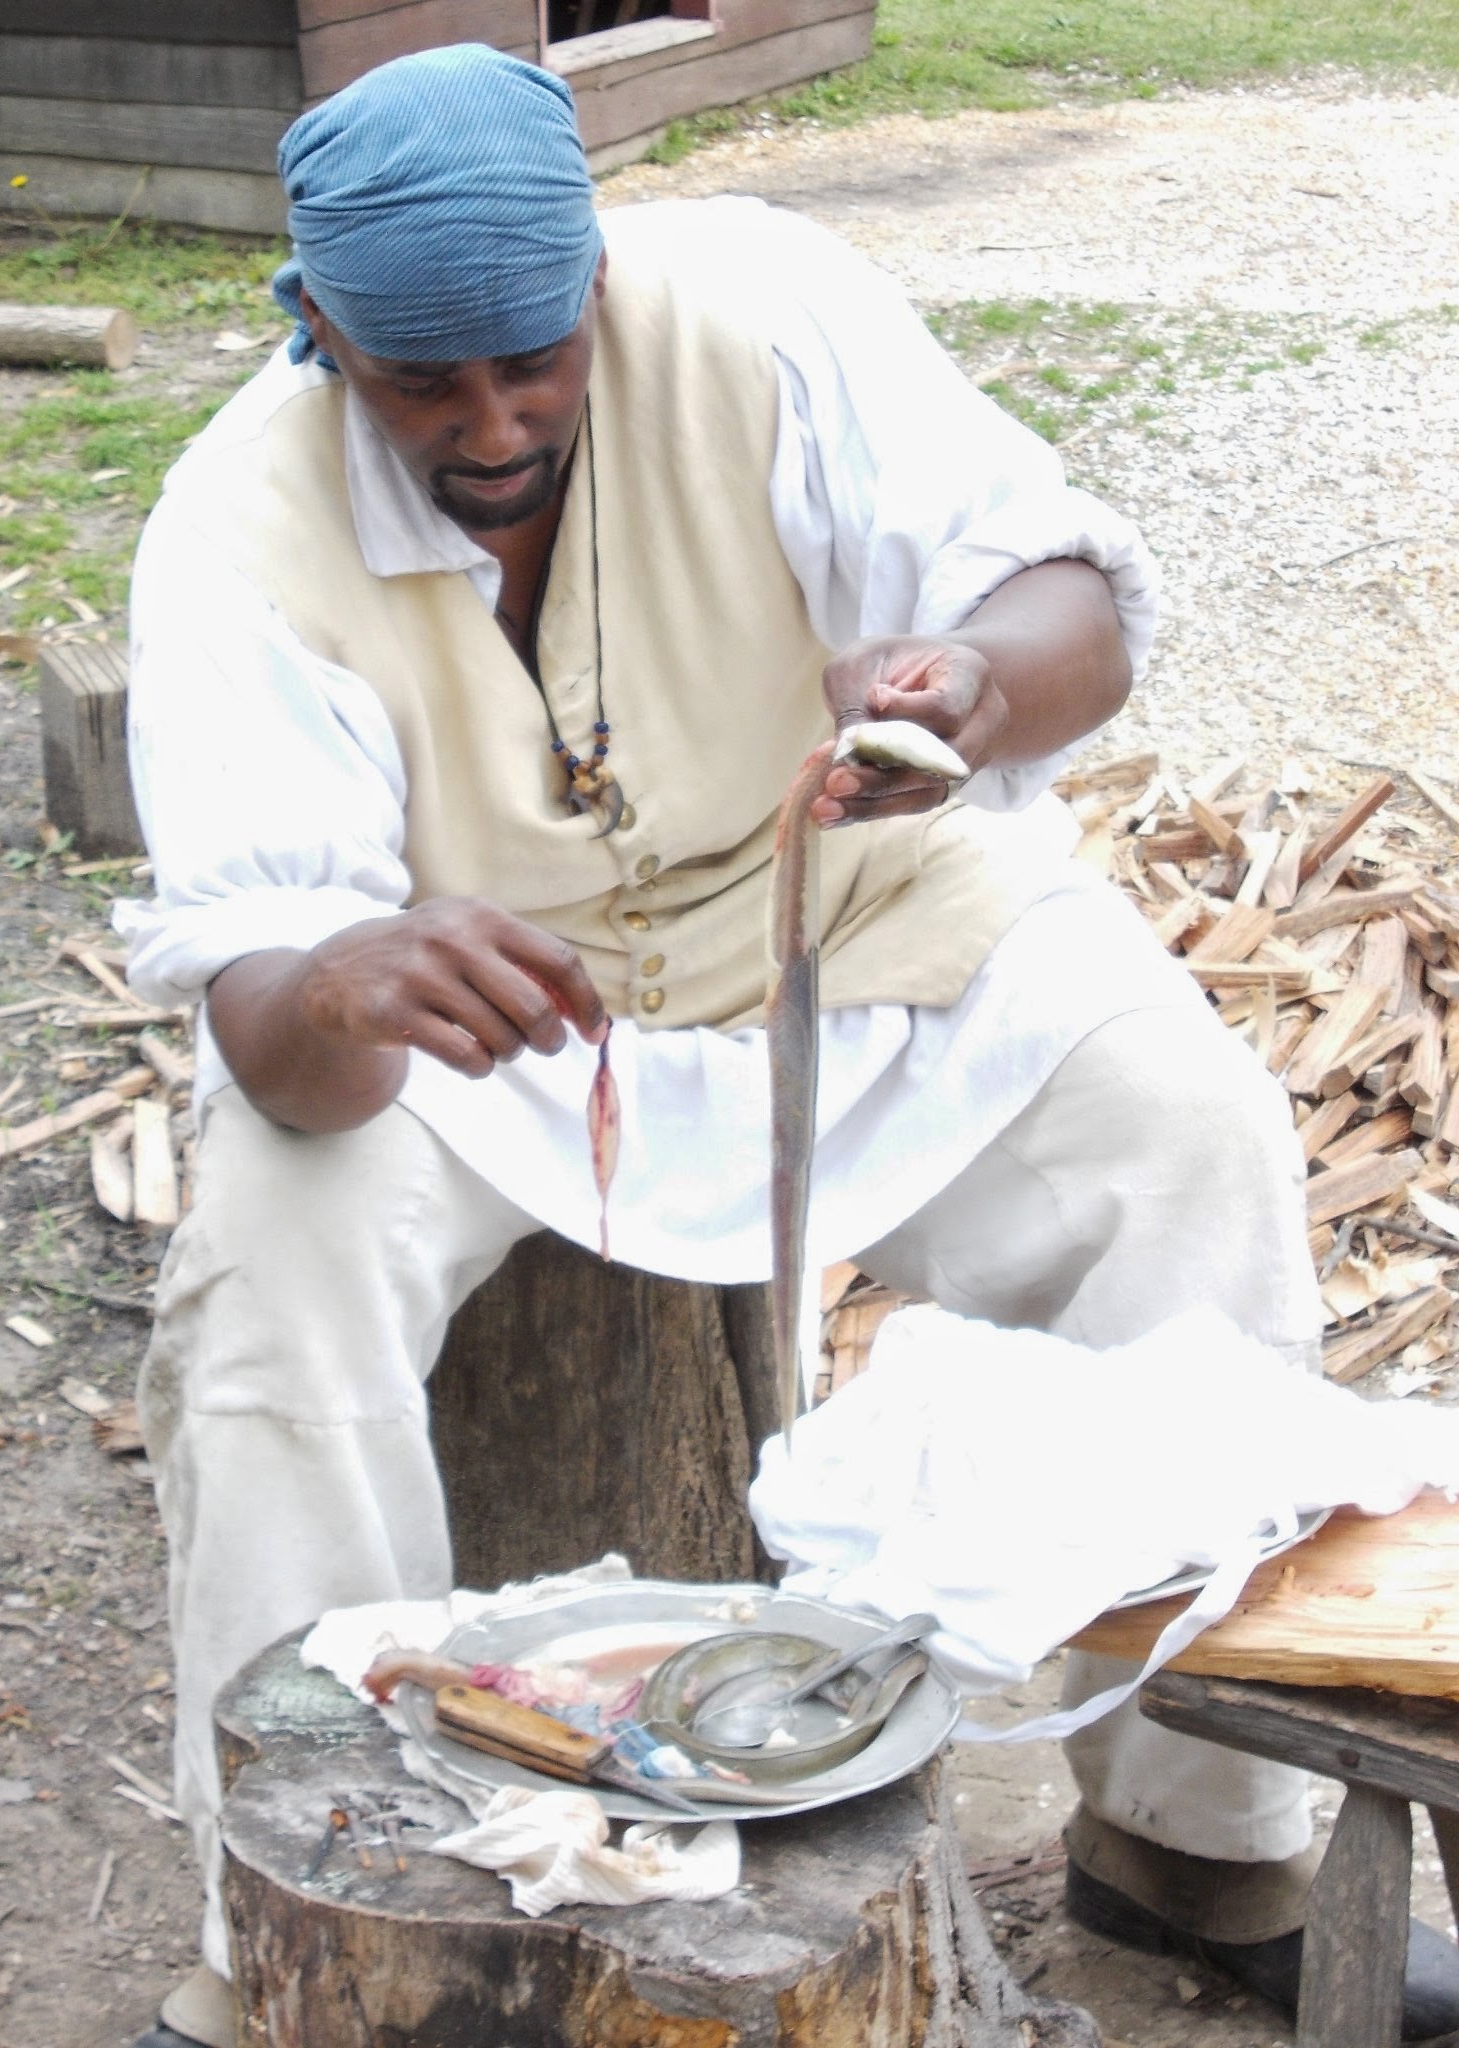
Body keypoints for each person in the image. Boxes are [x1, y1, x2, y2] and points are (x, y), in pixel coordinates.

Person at [119, 44, 1458, 2048]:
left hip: (836, 917)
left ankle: (1199, 1844)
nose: (493, 428)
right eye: (425, 387)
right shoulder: (237, 523)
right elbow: (266, 1009)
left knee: (1181, 1128)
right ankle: (306, 1915)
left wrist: (975, 682)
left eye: (532, 362)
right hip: (492, 1026)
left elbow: (1074, 599)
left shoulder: (756, 311)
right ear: (317, 330)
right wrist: (344, 985)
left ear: (595, 277)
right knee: (270, 1273)